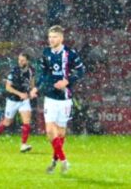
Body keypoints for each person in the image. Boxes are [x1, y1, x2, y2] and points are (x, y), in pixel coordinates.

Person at [39, 24, 85, 175]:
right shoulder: (46, 53)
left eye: (54, 37)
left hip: (65, 99)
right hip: (50, 97)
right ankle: (64, 161)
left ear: (61, 38)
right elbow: (44, 73)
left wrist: (67, 81)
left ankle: (54, 161)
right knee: (49, 131)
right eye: (49, 37)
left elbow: (81, 70)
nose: (51, 40)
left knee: (60, 134)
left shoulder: (70, 54)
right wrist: (38, 87)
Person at [0, 51, 36, 152]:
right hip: (12, 100)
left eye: (22, 60)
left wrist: (33, 92)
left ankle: (23, 144)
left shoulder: (31, 70)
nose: (20, 62)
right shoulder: (14, 71)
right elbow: (8, 87)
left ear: (27, 61)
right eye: (19, 60)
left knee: (27, 121)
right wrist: (20, 94)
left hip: (24, 100)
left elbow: (32, 84)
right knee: (7, 122)